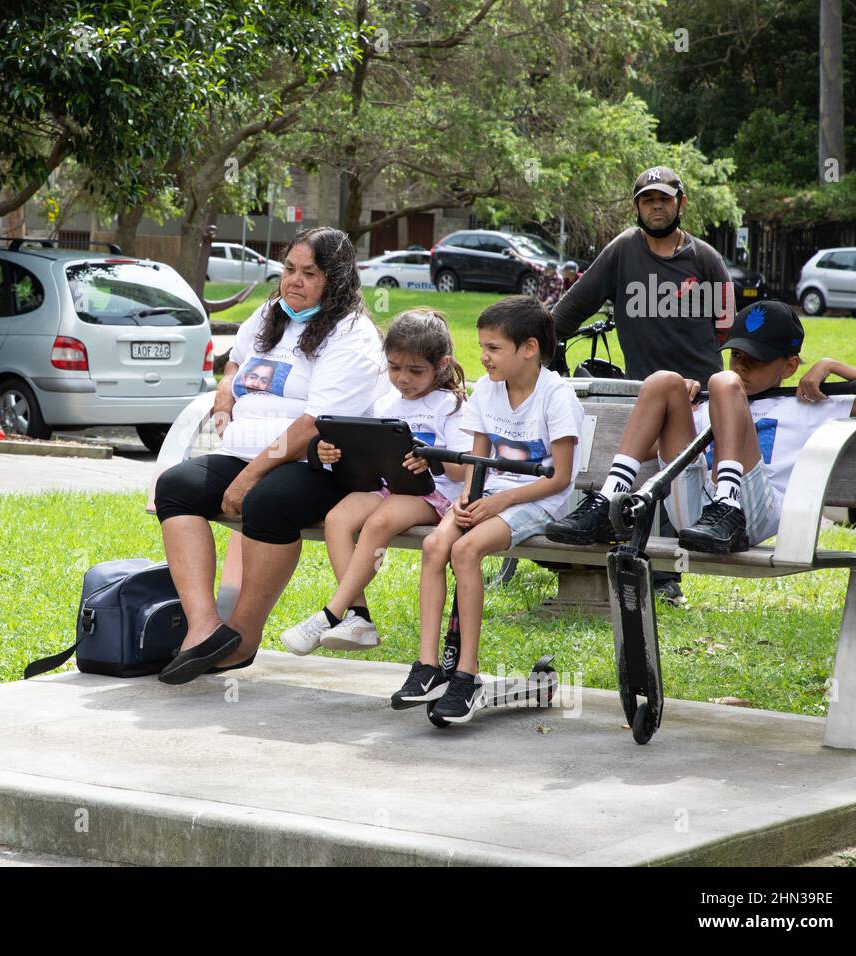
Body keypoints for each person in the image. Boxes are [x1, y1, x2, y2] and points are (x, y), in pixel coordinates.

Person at [152, 226, 384, 683]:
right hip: (244, 451)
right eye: (289, 270)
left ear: (335, 281)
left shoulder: (352, 335)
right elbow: (236, 361)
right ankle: (204, 625)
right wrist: (224, 390)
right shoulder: (269, 315)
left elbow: (312, 422)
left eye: (309, 274)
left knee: (268, 502)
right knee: (174, 488)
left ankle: (243, 633)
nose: (294, 281)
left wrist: (249, 476)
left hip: (319, 462)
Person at [544, 301, 856, 553]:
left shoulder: (810, 405)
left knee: (722, 383)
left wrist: (834, 365)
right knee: (664, 381)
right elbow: (649, 453)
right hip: (698, 515)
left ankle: (728, 502)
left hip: (751, 514)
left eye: (756, 360)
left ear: (790, 366)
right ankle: (608, 500)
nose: (742, 367)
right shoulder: (713, 400)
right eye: (737, 356)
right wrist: (680, 410)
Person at [551, 165, 734, 606]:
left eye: (664, 199)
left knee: (676, 474)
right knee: (637, 463)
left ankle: (667, 578)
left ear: (680, 204)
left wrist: (700, 375)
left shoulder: (704, 259)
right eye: (647, 199)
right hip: (642, 392)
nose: (656, 206)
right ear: (637, 206)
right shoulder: (622, 253)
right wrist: (538, 342)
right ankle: (620, 555)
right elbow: (570, 309)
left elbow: (726, 328)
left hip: (699, 394)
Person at [394, 296, 582, 722]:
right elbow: (474, 465)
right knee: (435, 546)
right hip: (490, 494)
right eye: (482, 347)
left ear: (529, 348)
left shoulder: (556, 395)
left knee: (465, 550)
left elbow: (560, 478)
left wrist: (498, 501)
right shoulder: (487, 391)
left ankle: (465, 674)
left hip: (537, 499)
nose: (483, 357)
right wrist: (467, 499)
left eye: (493, 348)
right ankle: (427, 668)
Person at [280, 308, 469, 654]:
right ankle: (360, 616)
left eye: (415, 371)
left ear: (441, 365)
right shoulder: (384, 402)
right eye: (394, 368)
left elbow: (464, 469)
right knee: (339, 518)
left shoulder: (449, 405)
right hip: (387, 485)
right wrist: (327, 450)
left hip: (434, 495)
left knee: (379, 521)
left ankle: (331, 612)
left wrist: (431, 456)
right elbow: (363, 445)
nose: (403, 378)